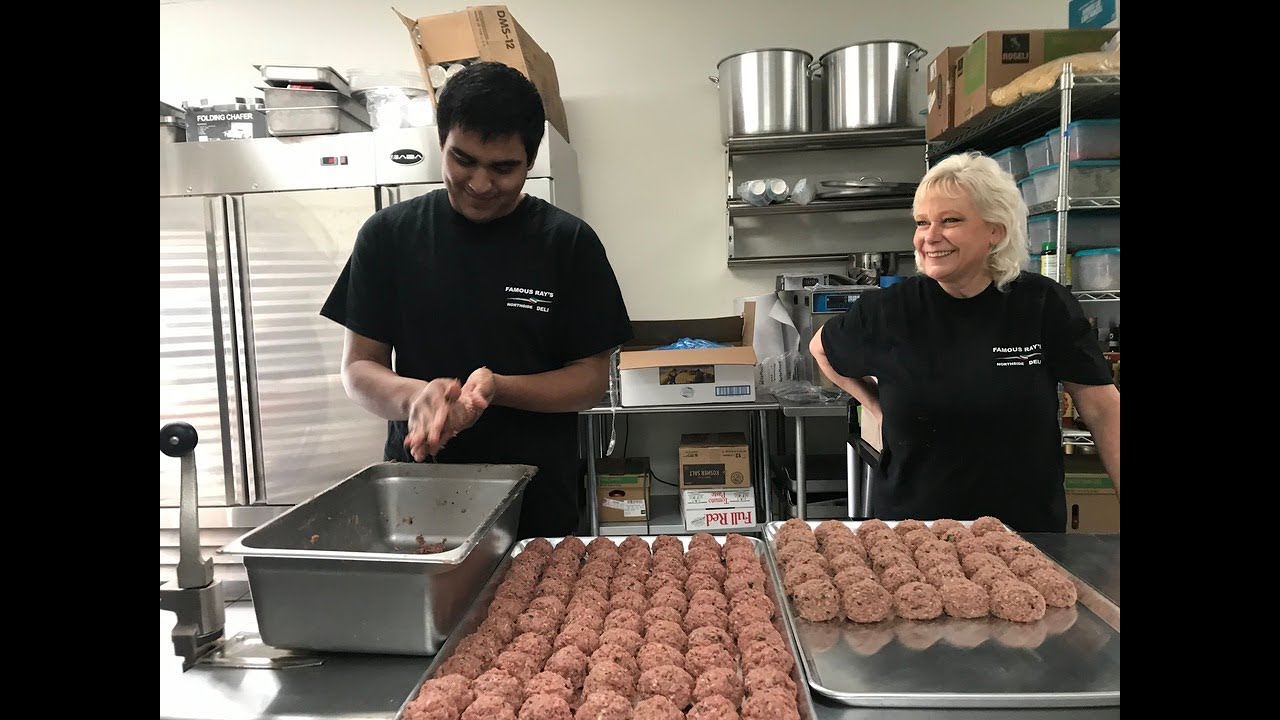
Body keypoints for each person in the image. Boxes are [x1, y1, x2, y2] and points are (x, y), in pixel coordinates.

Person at [320, 62, 633, 538]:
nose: (480, 184)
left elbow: (591, 381)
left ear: (530, 161)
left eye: (503, 168)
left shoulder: (567, 243)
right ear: (441, 145)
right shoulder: (389, 236)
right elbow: (358, 369)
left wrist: (497, 388)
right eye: (462, 160)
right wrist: (416, 397)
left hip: (537, 502)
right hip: (420, 497)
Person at [811, 151, 1119, 532]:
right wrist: (875, 406)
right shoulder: (889, 310)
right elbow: (820, 348)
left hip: (1025, 534)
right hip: (913, 539)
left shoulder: (1042, 304)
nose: (930, 236)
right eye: (922, 222)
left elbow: (1104, 410)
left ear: (996, 230)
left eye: (950, 220)